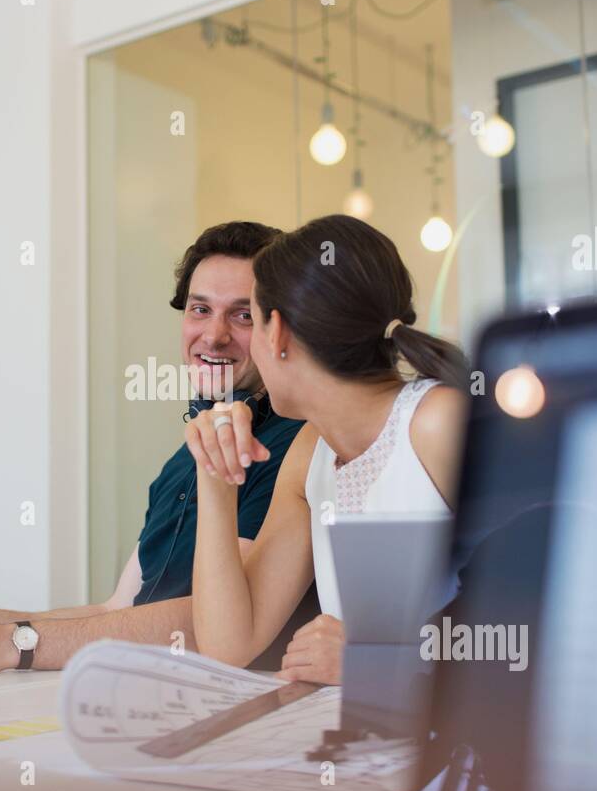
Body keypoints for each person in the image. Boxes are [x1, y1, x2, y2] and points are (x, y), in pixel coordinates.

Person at [0, 222, 311, 677]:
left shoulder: (291, 446)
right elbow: (116, 608)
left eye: (242, 316)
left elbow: (207, 625)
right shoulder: (180, 464)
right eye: (200, 309)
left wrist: (4, 643)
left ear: (276, 331)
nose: (213, 335)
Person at [183, 214, 470, 685]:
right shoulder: (311, 452)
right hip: (373, 745)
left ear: (276, 333)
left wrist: (379, 663)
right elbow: (228, 645)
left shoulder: (438, 423)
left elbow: (549, 623)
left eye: (249, 320)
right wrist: (214, 475)